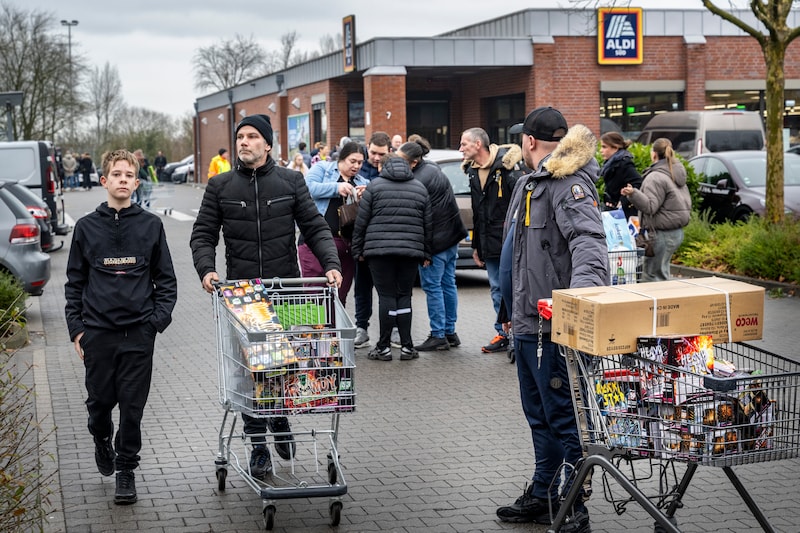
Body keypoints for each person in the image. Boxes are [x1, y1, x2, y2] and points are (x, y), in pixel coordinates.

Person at [190, 113, 343, 481]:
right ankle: (258, 444)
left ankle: (280, 418)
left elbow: (315, 227)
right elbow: (203, 235)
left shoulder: (290, 181)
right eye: (240, 136)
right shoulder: (220, 186)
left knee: (281, 363)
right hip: (243, 295)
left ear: (268, 144)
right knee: (248, 371)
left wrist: (331, 263)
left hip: (285, 291)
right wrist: (206, 269)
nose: (244, 142)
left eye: (252, 136)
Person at [496, 107, 608, 530]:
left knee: (564, 418)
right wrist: (506, 313)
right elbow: (516, 254)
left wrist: (575, 306)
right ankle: (544, 494)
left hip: (552, 327)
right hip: (525, 324)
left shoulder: (568, 185)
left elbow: (590, 246)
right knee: (538, 415)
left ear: (528, 141)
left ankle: (575, 504)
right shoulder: (530, 183)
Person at [65, 149, 178, 506]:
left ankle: (126, 469)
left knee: (132, 407)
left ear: (136, 182)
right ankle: (101, 438)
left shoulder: (151, 226)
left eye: (129, 175)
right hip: (97, 334)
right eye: (117, 174)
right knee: (100, 404)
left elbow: (167, 281)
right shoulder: (85, 228)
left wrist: (155, 323)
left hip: (138, 335)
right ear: (105, 180)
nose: (123, 180)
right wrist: (76, 329)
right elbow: (73, 283)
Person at [350, 154, 432, 361]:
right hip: (410, 252)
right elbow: (428, 224)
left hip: (379, 253)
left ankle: (384, 347)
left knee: (386, 296)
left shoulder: (375, 187)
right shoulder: (419, 188)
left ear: (383, 168)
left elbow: (362, 221)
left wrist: (358, 250)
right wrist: (426, 252)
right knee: (404, 296)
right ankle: (407, 347)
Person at [397, 136, 467, 351]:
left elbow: (424, 219)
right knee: (448, 284)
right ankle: (449, 331)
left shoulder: (417, 180)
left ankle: (437, 335)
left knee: (432, 286)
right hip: (452, 237)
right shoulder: (433, 168)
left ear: (413, 162)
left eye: (400, 160)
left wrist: (425, 251)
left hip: (436, 242)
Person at [459, 127, 525, 354]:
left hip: (509, 239)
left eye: (464, 144)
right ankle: (503, 333)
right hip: (488, 241)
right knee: (496, 288)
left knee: (513, 288)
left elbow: (520, 207)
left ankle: (519, 334)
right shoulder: (472, 171)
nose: (461, 149)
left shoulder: (508, 168)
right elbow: (478, 212)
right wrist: (476, 245)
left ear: (478, 144)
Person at [302, 141, 367, 304]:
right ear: (342, 158)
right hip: (315, 241)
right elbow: (307, 188)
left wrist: (367, 196)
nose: (356, 166)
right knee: (314, 293)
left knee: (339, 296)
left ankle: (334, 330)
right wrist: (336, 187)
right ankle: (315, 329)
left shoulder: (361, 182)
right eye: (353, 161)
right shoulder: (322, 169)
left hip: (346, 244)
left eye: (360, 163)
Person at [620, 137, 691, 282]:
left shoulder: (656, 177)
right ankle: (667, 303)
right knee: (662, 272)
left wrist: (633, 193)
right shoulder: (674, 172)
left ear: (654, 154)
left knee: (652, 276)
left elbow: (650, 206)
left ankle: (658, 305)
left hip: (661, 235)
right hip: (675, 232)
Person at [352, 131, 391, 349]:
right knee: (362, 287)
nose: (376, 158)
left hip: (384, 239)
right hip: (363, 238)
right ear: (367, 147)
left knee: (388, 290)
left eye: (381, 154)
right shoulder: (358, 168)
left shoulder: (391, 169)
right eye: (373, 152)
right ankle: (362, 328)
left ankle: (392, 330)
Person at [599, 132, 642, 220]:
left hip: (623, 214)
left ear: (615, 147)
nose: (600, 150)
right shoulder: (611, 163)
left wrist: (622, 201)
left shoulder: (624, 164)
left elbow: (638, 183)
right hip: (613, 211)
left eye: (604, 147)